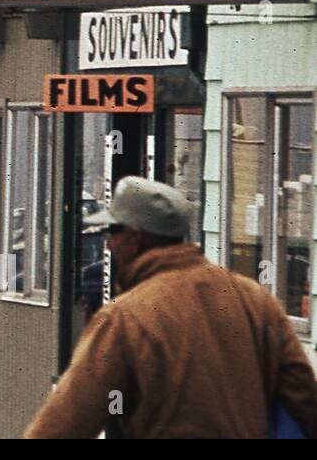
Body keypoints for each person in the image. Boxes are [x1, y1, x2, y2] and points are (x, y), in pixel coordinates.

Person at [25, 176, 317, 439]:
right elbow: (304, 396)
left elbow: (68, 418)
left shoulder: (126, 316)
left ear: (137, 236)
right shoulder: (254, 299)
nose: (109, 244)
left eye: (113, 231)